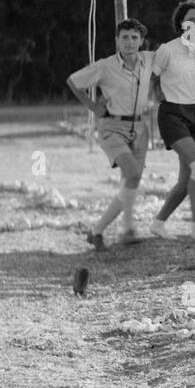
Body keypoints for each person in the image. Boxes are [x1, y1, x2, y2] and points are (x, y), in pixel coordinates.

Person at [66, 18, 154, 249]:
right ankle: (108, 230)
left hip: (140, 128)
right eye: (124, 37)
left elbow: (174, 56)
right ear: (116, 40)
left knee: (131, 180)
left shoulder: (149, 60)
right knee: (133, 173)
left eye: (134, 37)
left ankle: (113, 231)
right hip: (112, 127)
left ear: (141, 41)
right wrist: (93, 106)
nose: (129, 42)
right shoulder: (105, 66)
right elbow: (74, 81)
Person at [149, 0, 195, 242]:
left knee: (186, 179)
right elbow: (149, 77)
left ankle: (158, 223)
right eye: (191, 19)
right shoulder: (167, 49)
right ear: (182, 23)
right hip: (172, 114)